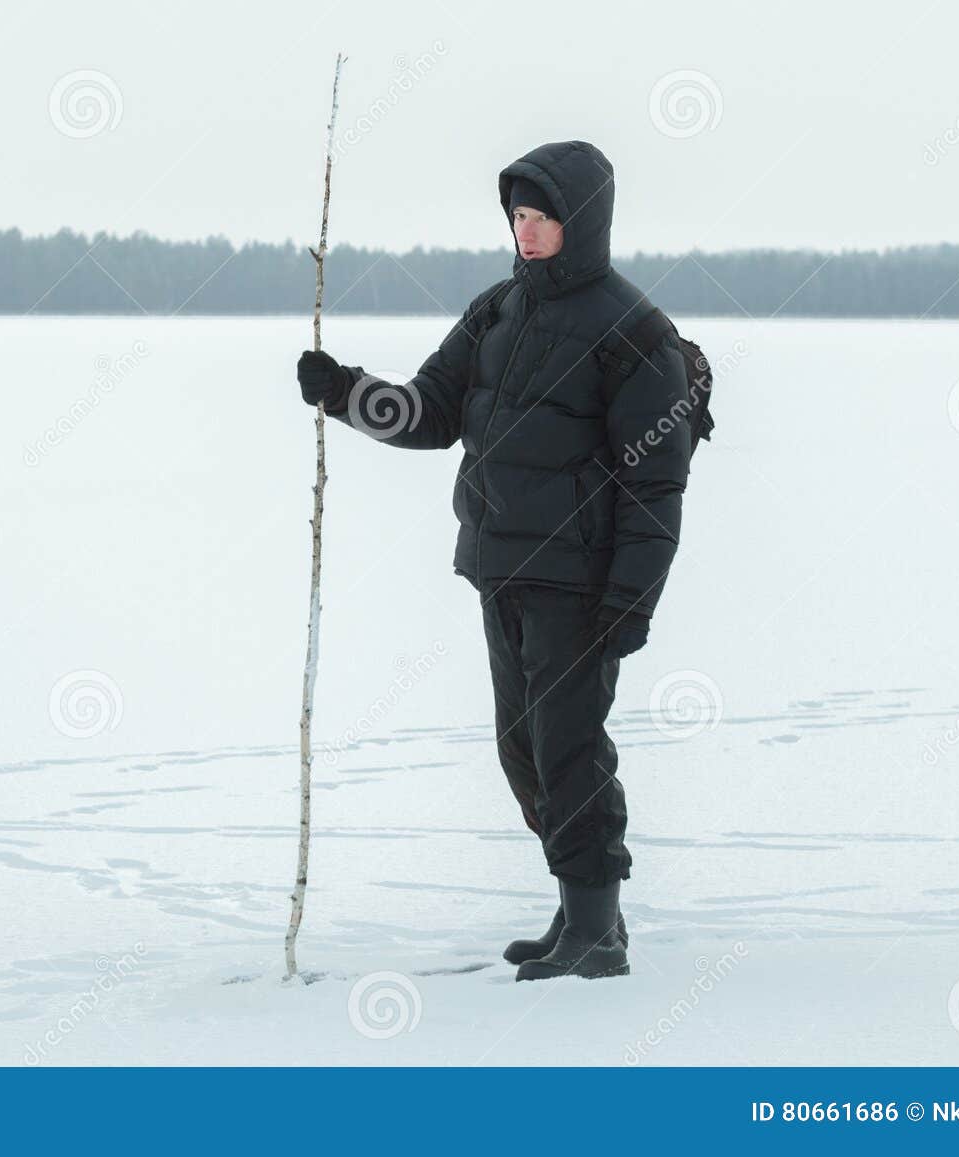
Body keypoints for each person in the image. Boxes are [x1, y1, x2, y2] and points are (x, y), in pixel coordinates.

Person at [294, 140, 692, 981]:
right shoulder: (495, 313)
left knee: (569, 748)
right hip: (501, 569)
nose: (527, 230)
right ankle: (583, 909)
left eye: (543, 216)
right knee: (524, 749)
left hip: (579, 584)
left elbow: (656, 484)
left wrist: (632, 600)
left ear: (580, 223)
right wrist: (345, 393)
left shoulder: (633, 332)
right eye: (518, 215)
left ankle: (597, 929)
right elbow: (432, 411)